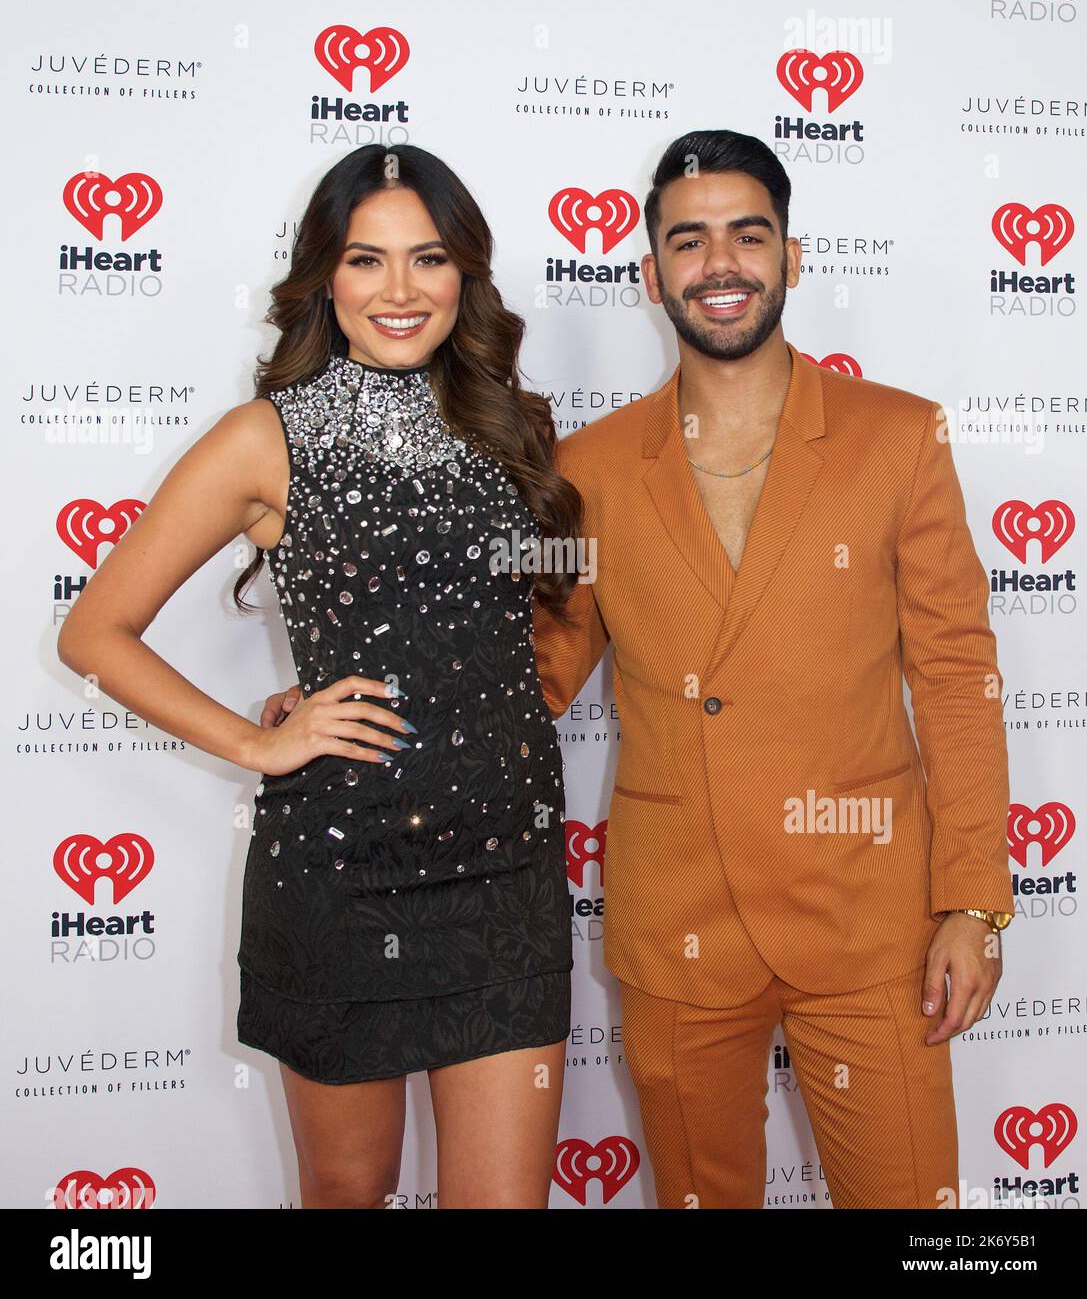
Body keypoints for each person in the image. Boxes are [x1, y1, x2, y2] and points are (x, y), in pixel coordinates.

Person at [265, 128, 1014, 1209]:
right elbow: (531, 671)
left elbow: (956, 678)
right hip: (678, 931)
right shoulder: (591, 467)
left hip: (870, 925)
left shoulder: (899, 438)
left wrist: (974, 902)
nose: (721, 263)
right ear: (649, 272)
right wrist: (360, 699)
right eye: (689, 240)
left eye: (748, 236)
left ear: (791, 258)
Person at [56, 143, 584, 1209]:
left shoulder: (514, 426)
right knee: (349, 1189)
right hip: (343, 870)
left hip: (506, 870)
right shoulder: (265, 440)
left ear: (464, 276)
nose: (399, 290)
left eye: (428, 259)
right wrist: (259, 741)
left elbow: (534, 601)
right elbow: (96, 631)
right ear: (325, 279)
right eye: (365, 260)